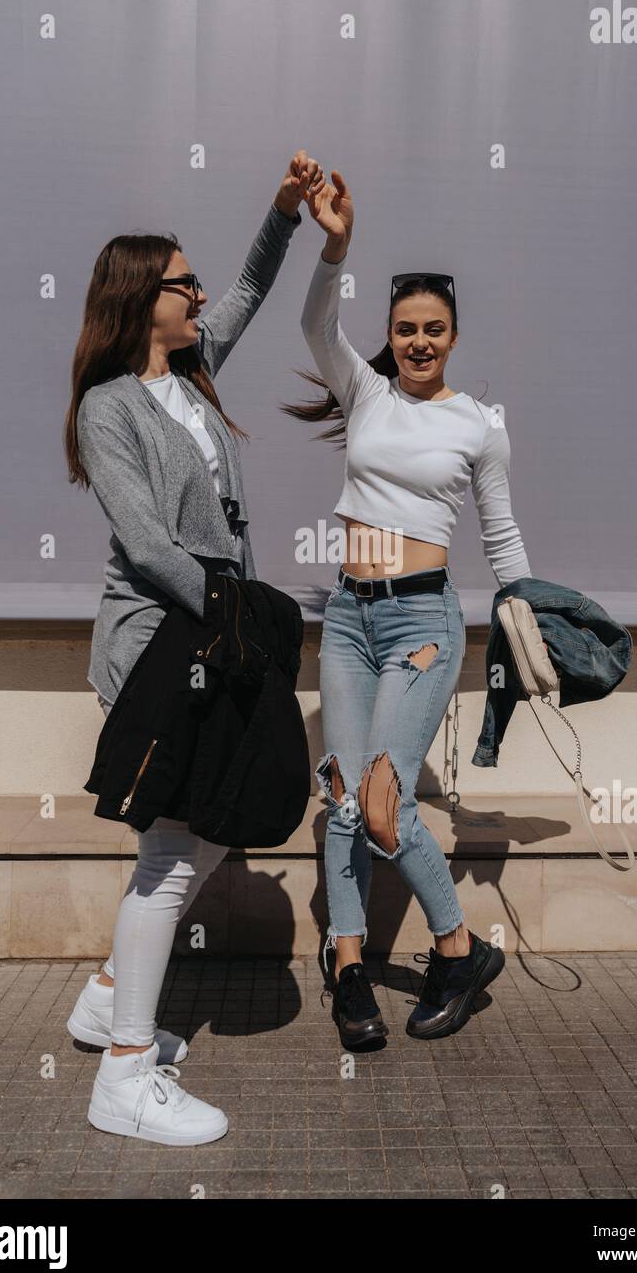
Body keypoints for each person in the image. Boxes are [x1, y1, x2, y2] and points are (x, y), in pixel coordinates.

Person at [62, 151, 324, 1143]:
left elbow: (251, 285)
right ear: (143, 297)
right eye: (183, 281)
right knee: (175, 856)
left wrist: (284, 209)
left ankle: (104, 1003)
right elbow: (143, 540)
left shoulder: (193, 369)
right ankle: (124, 1075)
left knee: (195, 840)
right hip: (159, 641)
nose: (202, 294)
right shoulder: (109, 405)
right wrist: (234, 612)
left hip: (209, 630)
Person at [286, 168, 532, 1047]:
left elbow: (502, 540)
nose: (418, 342)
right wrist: (335, 247)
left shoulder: (479, 424)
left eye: (433, 330)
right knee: (346, 803)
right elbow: (315, 324)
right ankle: (349, 968)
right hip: (351, 620)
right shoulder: (368, 393)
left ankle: (458, 950)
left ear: (455, 337)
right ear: (389, 336)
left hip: (424, 624)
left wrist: (524, 623)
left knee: (389, 808)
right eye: (404, 330)